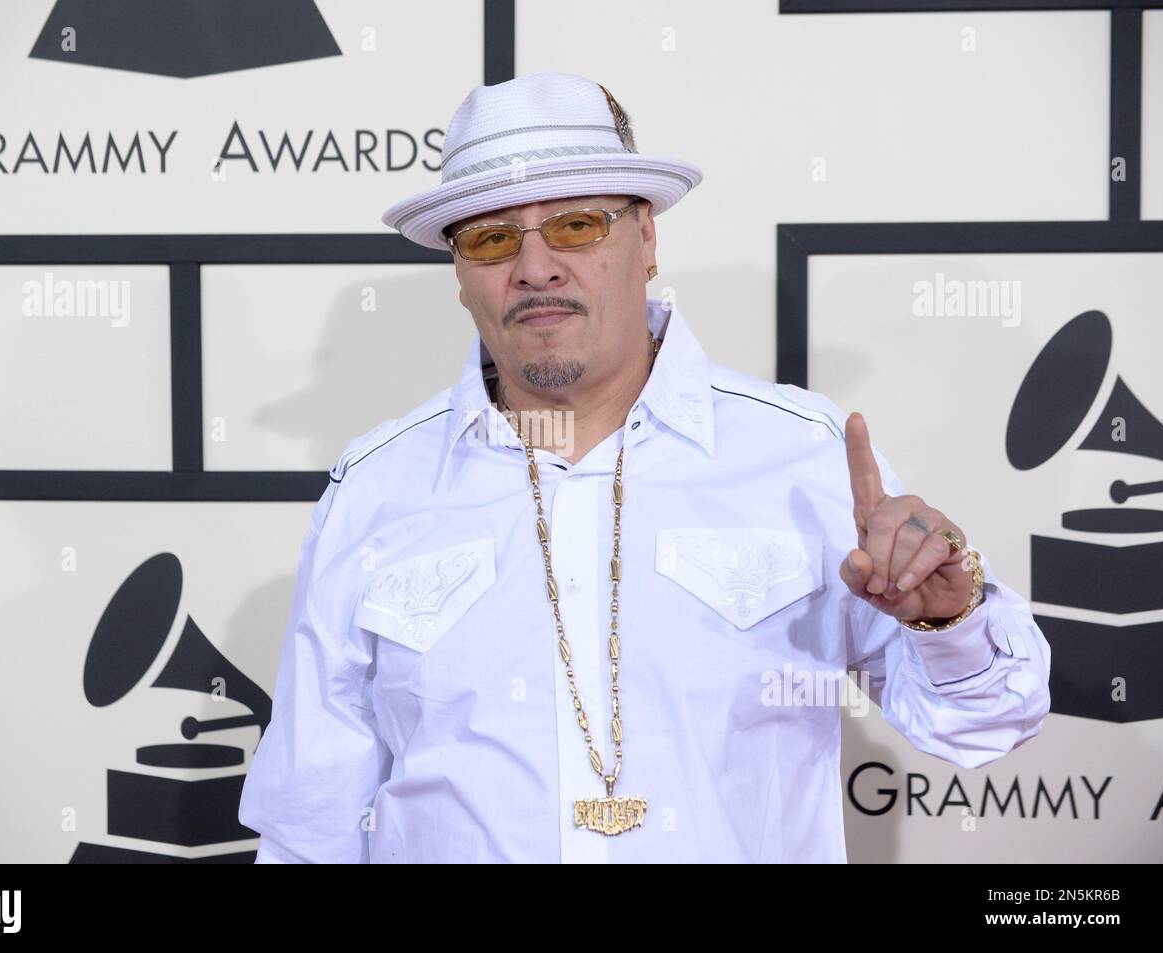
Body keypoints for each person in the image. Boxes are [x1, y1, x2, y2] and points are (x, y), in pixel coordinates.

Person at [237, 71, 1051, 863]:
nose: (536, 268)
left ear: (647, 237)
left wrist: (949, 615)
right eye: (491, 237)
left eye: (577, 225)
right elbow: (310, 826)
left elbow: (983, 723)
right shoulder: (376, 487)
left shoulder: (803, 454)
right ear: (460, 274)